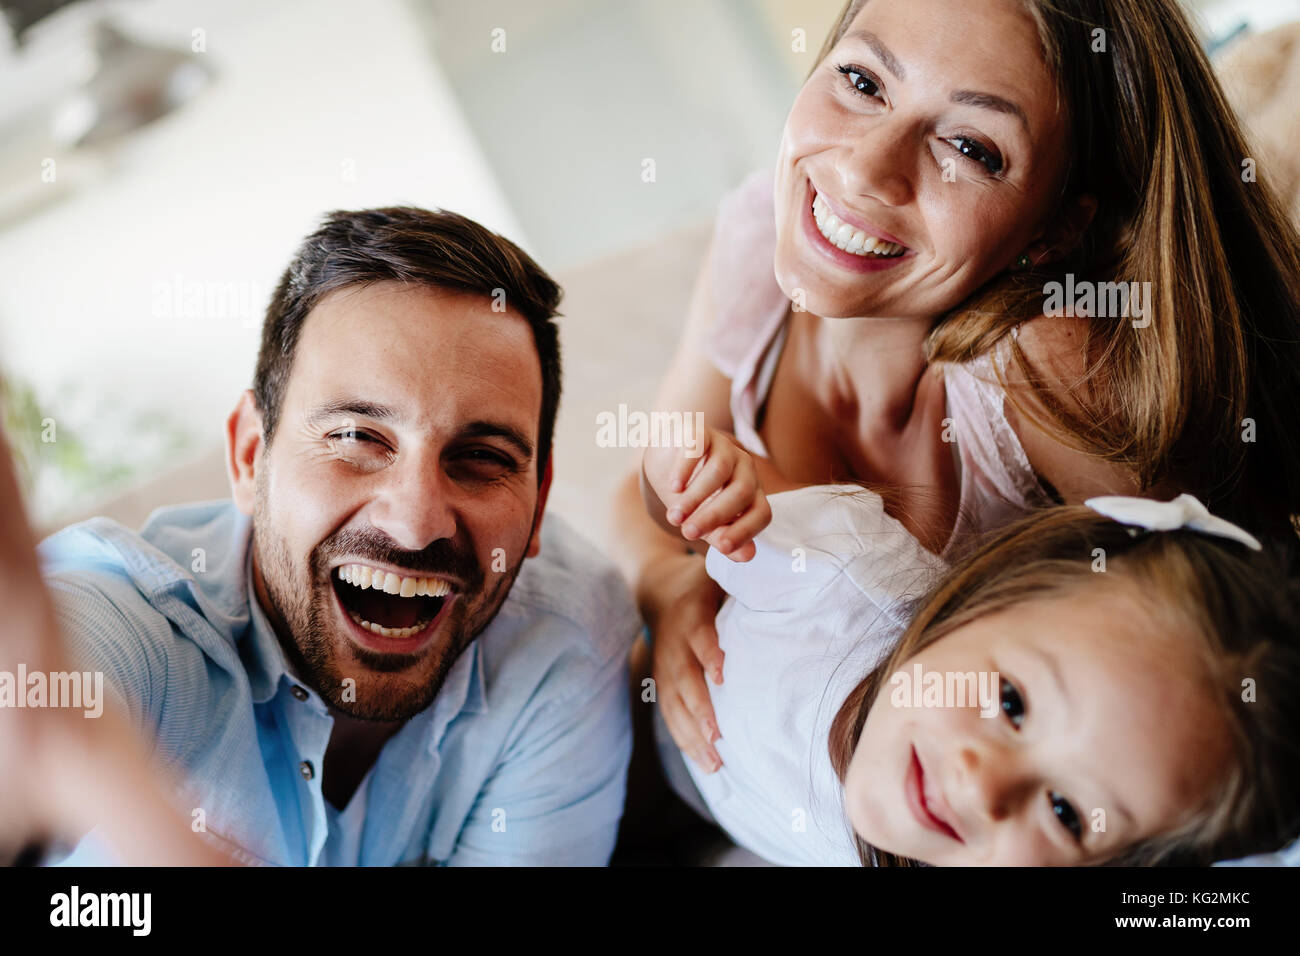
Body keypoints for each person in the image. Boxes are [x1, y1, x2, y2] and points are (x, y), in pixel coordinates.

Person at [611, 0, 1300, 785]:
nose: (866, 169)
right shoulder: (754, 237)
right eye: (864, 80)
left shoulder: (1046, 364)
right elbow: (649, 485)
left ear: (1055, 231)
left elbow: (1242, 654)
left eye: (971, 147)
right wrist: (664, 585)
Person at [1, 206, 640, 866]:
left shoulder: (563, 640)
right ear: (251, 455)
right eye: (357, 437)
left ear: (538, 503)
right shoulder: (136, 620)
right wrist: (68, 748)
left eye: (481, 456)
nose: (417, 522)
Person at [651, 479, 1300, 865]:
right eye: (1012, 704)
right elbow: (662, 501)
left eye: (1067, 813)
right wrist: (677, 542)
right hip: (631, 721)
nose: (986, 786)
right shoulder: (833, 573)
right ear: (992, 594)